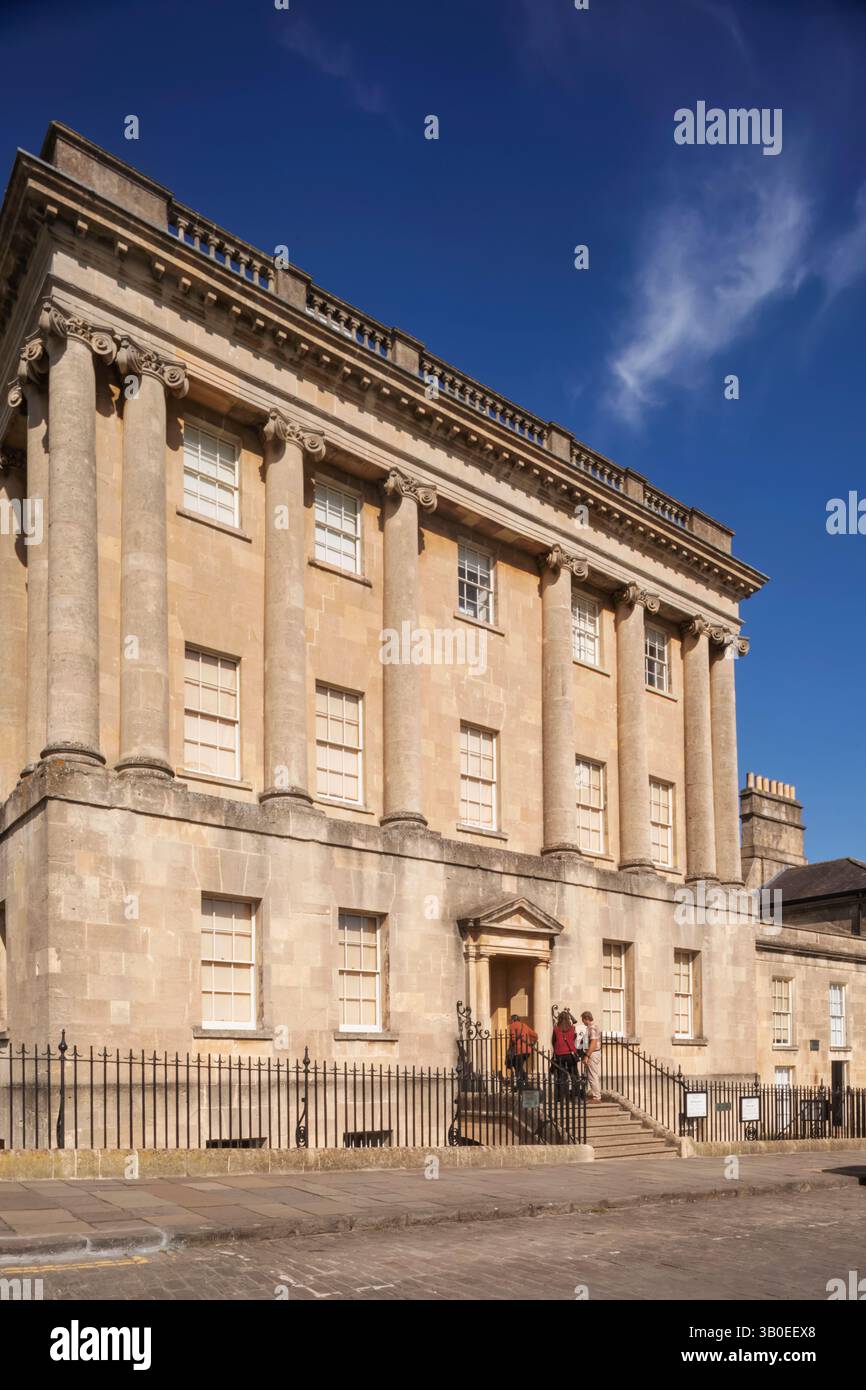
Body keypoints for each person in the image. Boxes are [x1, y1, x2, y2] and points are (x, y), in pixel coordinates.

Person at [551, 1010, 579, 1099]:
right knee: (574, 1075)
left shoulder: (556, 1028)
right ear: (568, 1019)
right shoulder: (572, 1028)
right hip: (570, 1055)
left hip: (559, 1054)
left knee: (561, 1076)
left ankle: (561, 1096)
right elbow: (574, 1038)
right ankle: (575, 1095)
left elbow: (553, 1041)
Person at [507, 1014, 537, 1088]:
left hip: (518, 1050)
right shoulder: (524, 1025)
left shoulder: (512, 1025)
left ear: (513, 1020)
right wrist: (532, 1043)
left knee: (517, 1067)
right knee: (518, 1066)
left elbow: (513, 1039)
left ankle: (522, 1082)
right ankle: (523, 1082)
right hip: (527, 1050)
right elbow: (535, 1035)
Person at [581, 1010, 602, 1102]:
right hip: (592, 1053)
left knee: (592, 1076)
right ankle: (596, 1096)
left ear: (586, 1018)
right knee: (592, 1075)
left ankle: (596, 1097)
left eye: (583, 1019)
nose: (582, 1021)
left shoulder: (592, 1027)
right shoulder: (590, 1027)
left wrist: (587, 1055)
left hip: (593, 1053)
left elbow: (593, 1043)